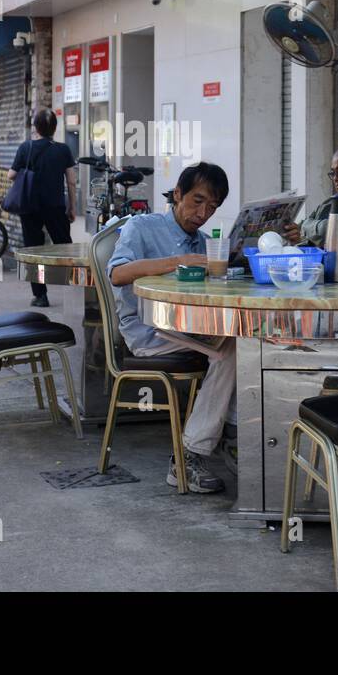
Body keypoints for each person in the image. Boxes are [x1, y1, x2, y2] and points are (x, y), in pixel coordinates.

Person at [107, 161, 236, 493]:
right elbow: (117, 275)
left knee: (254, 340)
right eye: (197, 200)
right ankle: (188, 458)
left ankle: (232, 436)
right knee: (231, 352)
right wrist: (174, 263)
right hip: (149, 331)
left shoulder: (203, 242)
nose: (203, 212)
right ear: (177, 194)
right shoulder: (142, 227)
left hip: (190, 329)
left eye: (212, 206)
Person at [9, 108, 76, 307]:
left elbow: (11, 175)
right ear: (54, 128)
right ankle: (79, 288)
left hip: (29, 206)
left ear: (36, 127)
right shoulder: (63, 150)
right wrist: (71, 207)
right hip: (55, 206)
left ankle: (40, 295)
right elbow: (71, 181)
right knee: (66, 247)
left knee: (33, 250)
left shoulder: (25, 147)